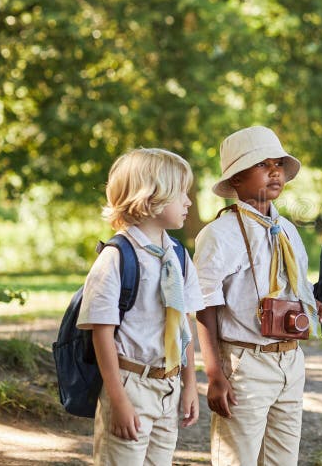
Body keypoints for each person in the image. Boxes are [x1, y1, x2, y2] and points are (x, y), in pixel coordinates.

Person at [194, 125, 322, 465]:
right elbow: (204, 304)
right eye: (262, 164)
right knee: (238, 457)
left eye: (278, 164)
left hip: (289, 359)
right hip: (246, 363)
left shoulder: (286, 230)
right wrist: (214, 375)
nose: (274, 171)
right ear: (236, 181)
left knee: (282, 458)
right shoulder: (220, 234)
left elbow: (294, 283)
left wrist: (312, 303)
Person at [77, 147, 204, 465]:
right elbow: (101, 334)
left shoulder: (179, 257)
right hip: (130, 384)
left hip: (169, 385)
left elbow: (184, 325)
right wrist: (118, 401)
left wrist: (190, 385)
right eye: (181, 194)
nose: (188, 202)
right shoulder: (117, 257)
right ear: (151, 199)